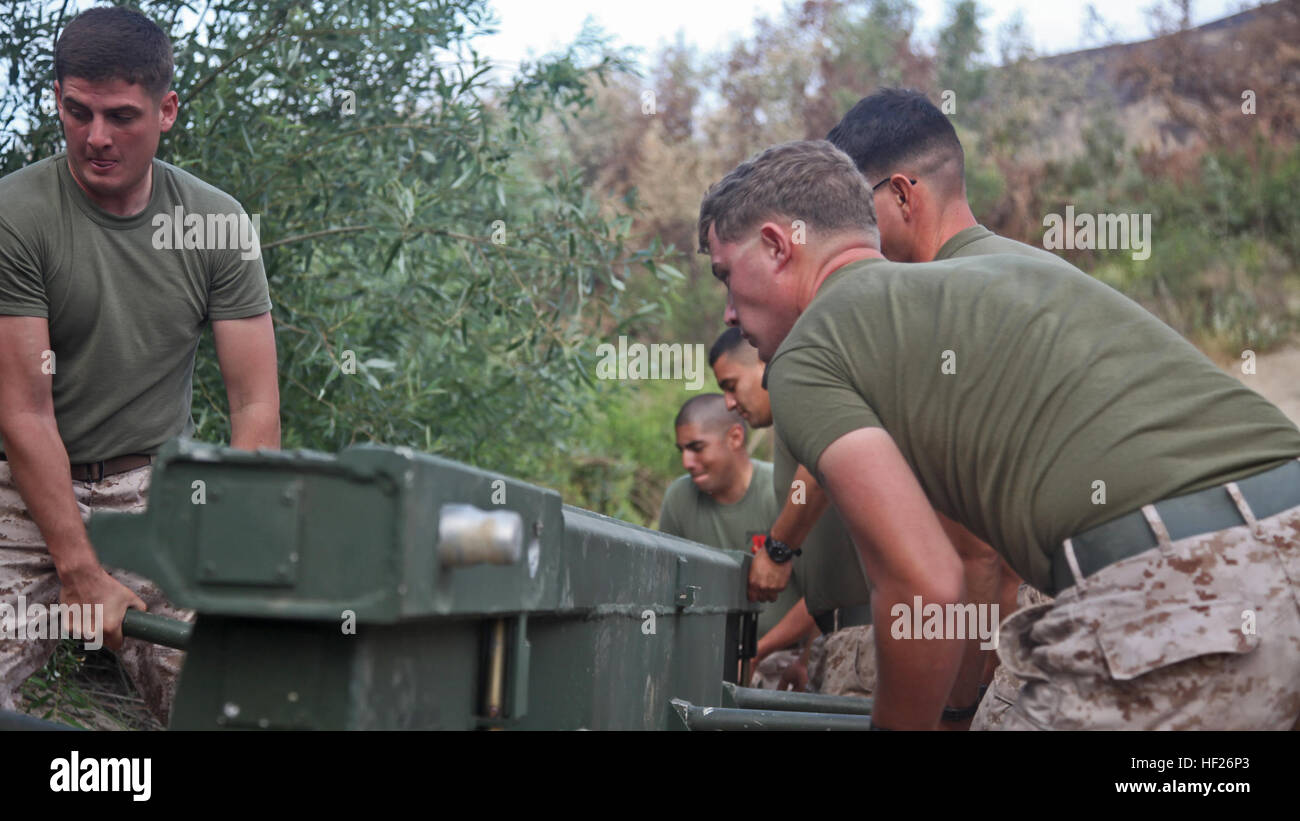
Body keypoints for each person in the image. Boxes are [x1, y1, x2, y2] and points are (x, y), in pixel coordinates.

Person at [697, 139, 1300, 730]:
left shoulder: (808, 352)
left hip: (1177, 591)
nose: (728, 310)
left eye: (726, 275)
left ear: (777, 246)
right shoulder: (1003, 272)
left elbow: (925, 585)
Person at [0, 6, 280, 724]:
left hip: (155, 487)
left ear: (167, 110)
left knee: (230, 690)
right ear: (58, 100)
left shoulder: (218, 225)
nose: (96, 137)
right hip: (23, 485)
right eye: (78, 111)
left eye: (122, 116)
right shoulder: (15, 215)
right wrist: (82, 572)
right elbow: (25, 412)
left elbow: (255, 409)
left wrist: (227, 547)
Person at [826, 87, 1066, 726]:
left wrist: (956, 713)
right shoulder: (1036, 272)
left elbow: (977, 562)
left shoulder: (935, 317)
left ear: (902, 196)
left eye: (857, 215)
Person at [710, 327, 874, 698]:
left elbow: (820, 469)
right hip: (835, 639)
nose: (729, 402)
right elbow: (833, 561)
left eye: (732, 384)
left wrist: (777, 549)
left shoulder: (807, 404)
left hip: (870, 636)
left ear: (763, 362)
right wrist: (810, 658)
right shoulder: (787, 430)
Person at [657, 394, 807, 689]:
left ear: (735, 437)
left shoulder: (782, 493)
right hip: (703, 658)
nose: (687, 461)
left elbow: (821, 598)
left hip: (782, 657)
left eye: (696, 448)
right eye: (682, 451)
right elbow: (665, 588)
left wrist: (756, 652)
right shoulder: (679, 499)